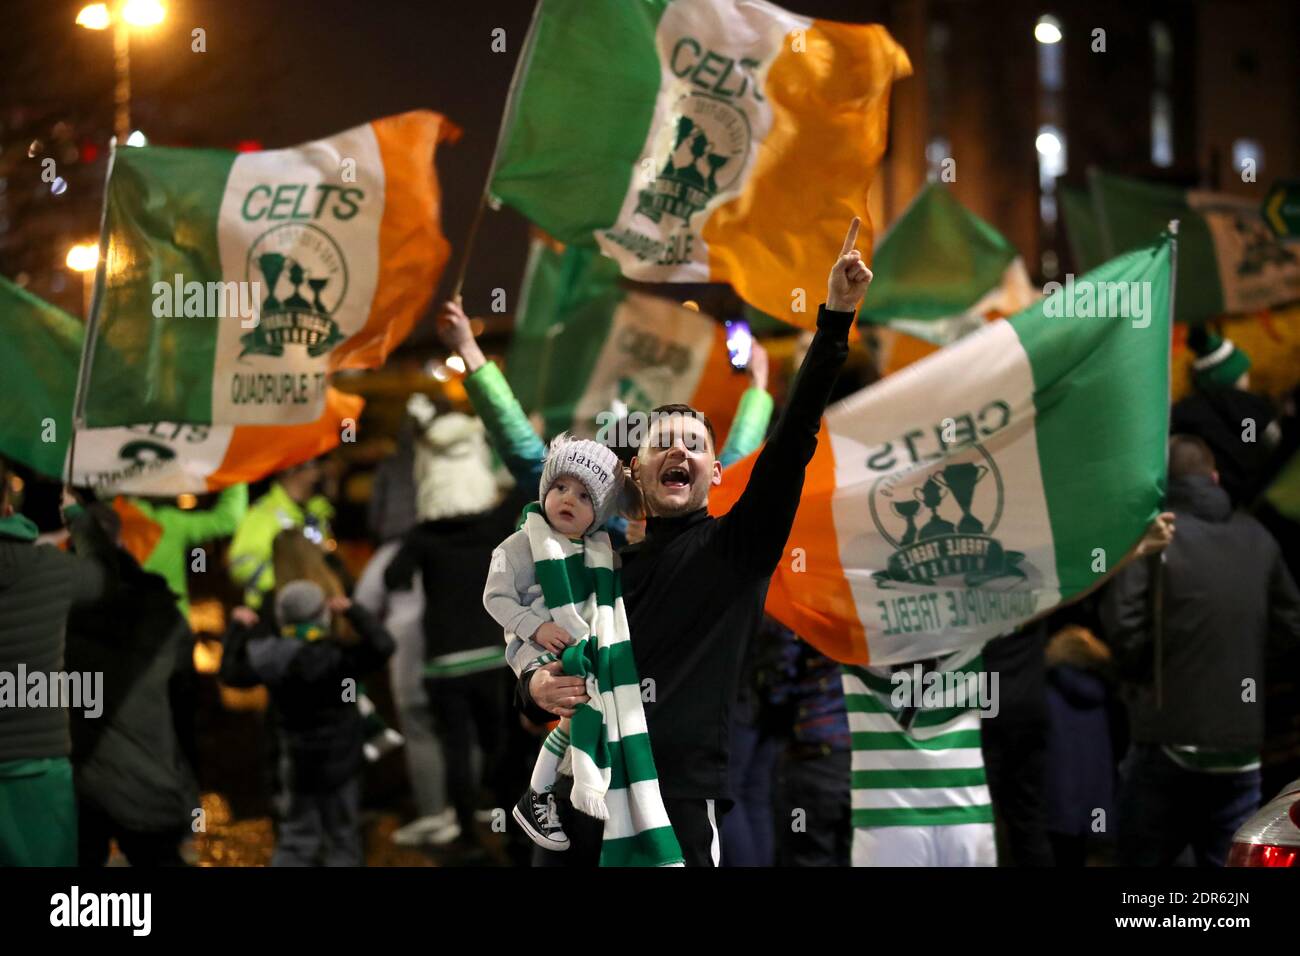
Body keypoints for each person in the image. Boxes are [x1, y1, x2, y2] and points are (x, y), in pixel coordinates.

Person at [517, 218, 872, 866]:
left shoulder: (734, 552)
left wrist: (834, 321)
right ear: (635, 473)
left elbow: (792, 445)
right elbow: (533, 656)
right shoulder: (595, 562)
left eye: (695, 444)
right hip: (579, 795)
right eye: (663, 440)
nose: (679, 448)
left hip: (673, 805)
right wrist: (532, 691)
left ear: (715, 472)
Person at [1101, 433, 1300, 866]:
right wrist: (1246, 667)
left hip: (1165, 736)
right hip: (1240, 745)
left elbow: (1123, 625)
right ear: (1213, 477)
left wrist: (1141, 682)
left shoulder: (1153, 538)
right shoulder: (1258, 536)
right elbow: (1290, 626)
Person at [385, 408, 528, 846]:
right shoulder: (495, 524)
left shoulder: (423, 536)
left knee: (455, 749)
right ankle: (510, 829)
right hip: (493, 655)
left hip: (444, 661)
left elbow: (394, 578)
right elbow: (527, 481)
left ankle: (466, 835)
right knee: (501, 745)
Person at [483, 433, 629, 850]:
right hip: (535, 649)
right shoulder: (519, 545)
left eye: (585, 496)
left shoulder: (598, 552)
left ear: (599, 515)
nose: (568, 499)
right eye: (561, 487)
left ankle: (539, 795)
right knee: (577, 711)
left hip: (576, 648)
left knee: (577, 716)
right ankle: (543, 793)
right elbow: (494, 598)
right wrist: (534, 626)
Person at [219, 581, 395, 866]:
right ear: (323, 614)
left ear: (282, 617)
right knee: (343, 836)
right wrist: (353, 612)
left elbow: (229, 673)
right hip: (342, 758)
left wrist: (237, 629)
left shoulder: (270, 658)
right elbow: (384, 646)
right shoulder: (339, 656)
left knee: (297, 837)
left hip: (297, 760)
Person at [65, 503, 198, 866]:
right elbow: (185, 704)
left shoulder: (60, 613)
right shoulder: (165, 618)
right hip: (150, 780)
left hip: (79, 782)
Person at [0, 471, 110, 867]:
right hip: (40, 770)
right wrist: (78, 517)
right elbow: (104, 578)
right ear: (7, 505)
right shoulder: (51, 568)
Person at [354, 536, 458, 847]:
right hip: (458, 645)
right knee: (459, 727)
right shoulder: (463, 542)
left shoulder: (393, 552)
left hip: (408, 650)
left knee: (418, 728)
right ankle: (465, 809)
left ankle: (435, 813)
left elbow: (365, 602)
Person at [113, 483, 248, 618]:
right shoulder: (167, 524)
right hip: (172, 625)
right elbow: (228, 519)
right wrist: (233, 475)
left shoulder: (101, 529)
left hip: (117, 630)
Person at [229, 461, 334, 609]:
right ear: (290, 471)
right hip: (272, 610)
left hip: (312, 607)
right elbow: (242, 568)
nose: (317, 472)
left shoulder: (316, 513)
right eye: (311, 465)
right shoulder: (262, 514)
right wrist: (289, 580)